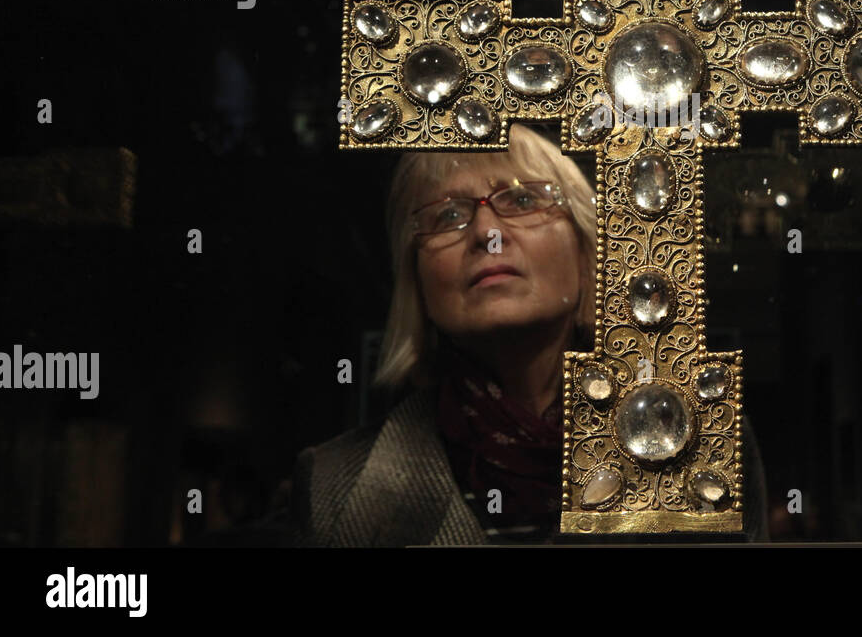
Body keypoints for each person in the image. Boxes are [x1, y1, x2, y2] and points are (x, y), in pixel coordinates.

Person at [289, 124, 769, 545]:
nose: (486, 232)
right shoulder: (334, 486)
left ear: (587, 255)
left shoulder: (704, 444)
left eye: (522, 199)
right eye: (448, 215)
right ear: (417, 282)